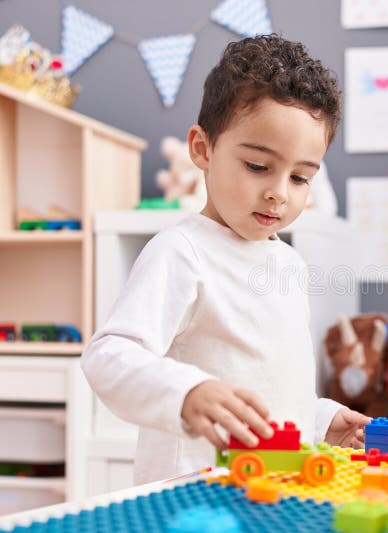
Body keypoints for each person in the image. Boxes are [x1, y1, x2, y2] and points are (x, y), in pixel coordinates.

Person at [82, 35, 368, 484]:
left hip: (274, 494)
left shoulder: (288, 265)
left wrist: (319, 420)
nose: (279, 192)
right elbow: (108, 356)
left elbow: (272, 388)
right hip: (193, 495)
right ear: (202, 149)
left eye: (299, 177)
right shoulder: (183, 252)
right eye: (258, 166)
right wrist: (187, 392)